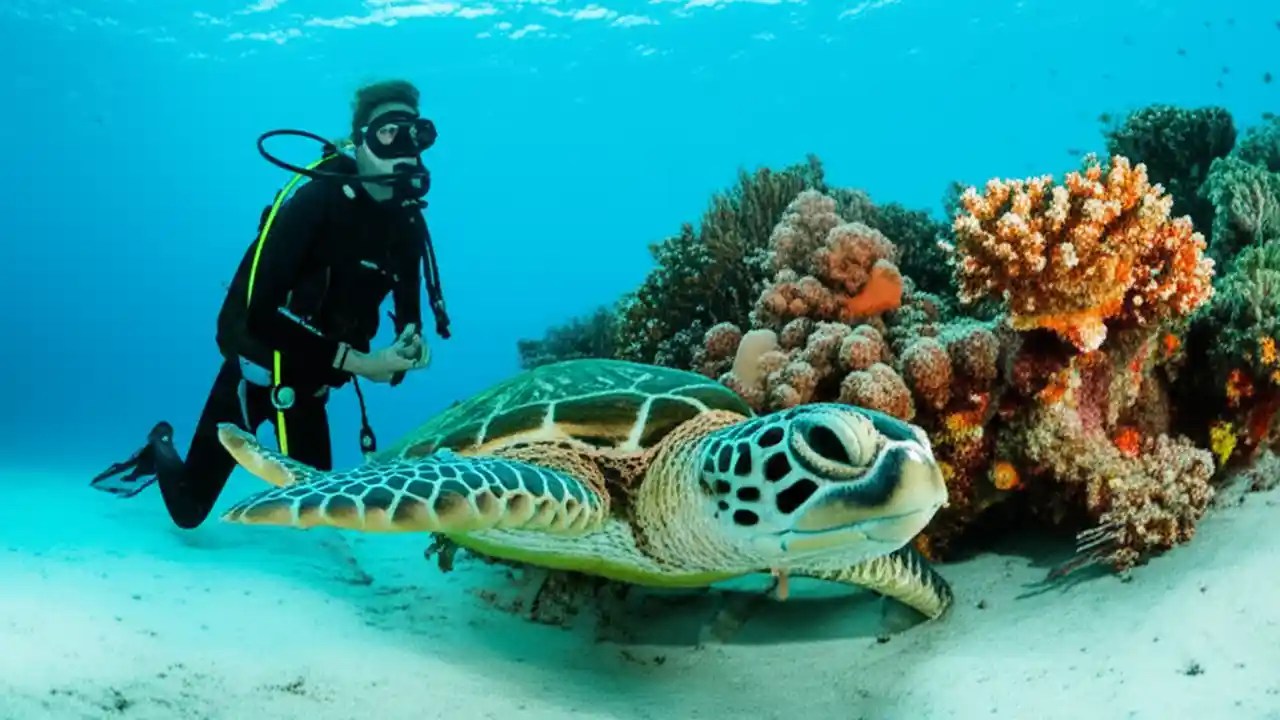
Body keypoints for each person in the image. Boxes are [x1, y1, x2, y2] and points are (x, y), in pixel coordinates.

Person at [90, 79, 453, 529]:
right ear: (359, 141)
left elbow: (408, 323)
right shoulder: (316, 200)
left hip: (313, 384)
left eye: (416, 135)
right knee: (188, 511)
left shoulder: (408, 227)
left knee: (321, 514)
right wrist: (361, 362)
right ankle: (158, 444)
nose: (405, 149)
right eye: (387, 132)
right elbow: (259, 313)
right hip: (254, 370)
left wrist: (402, 358)